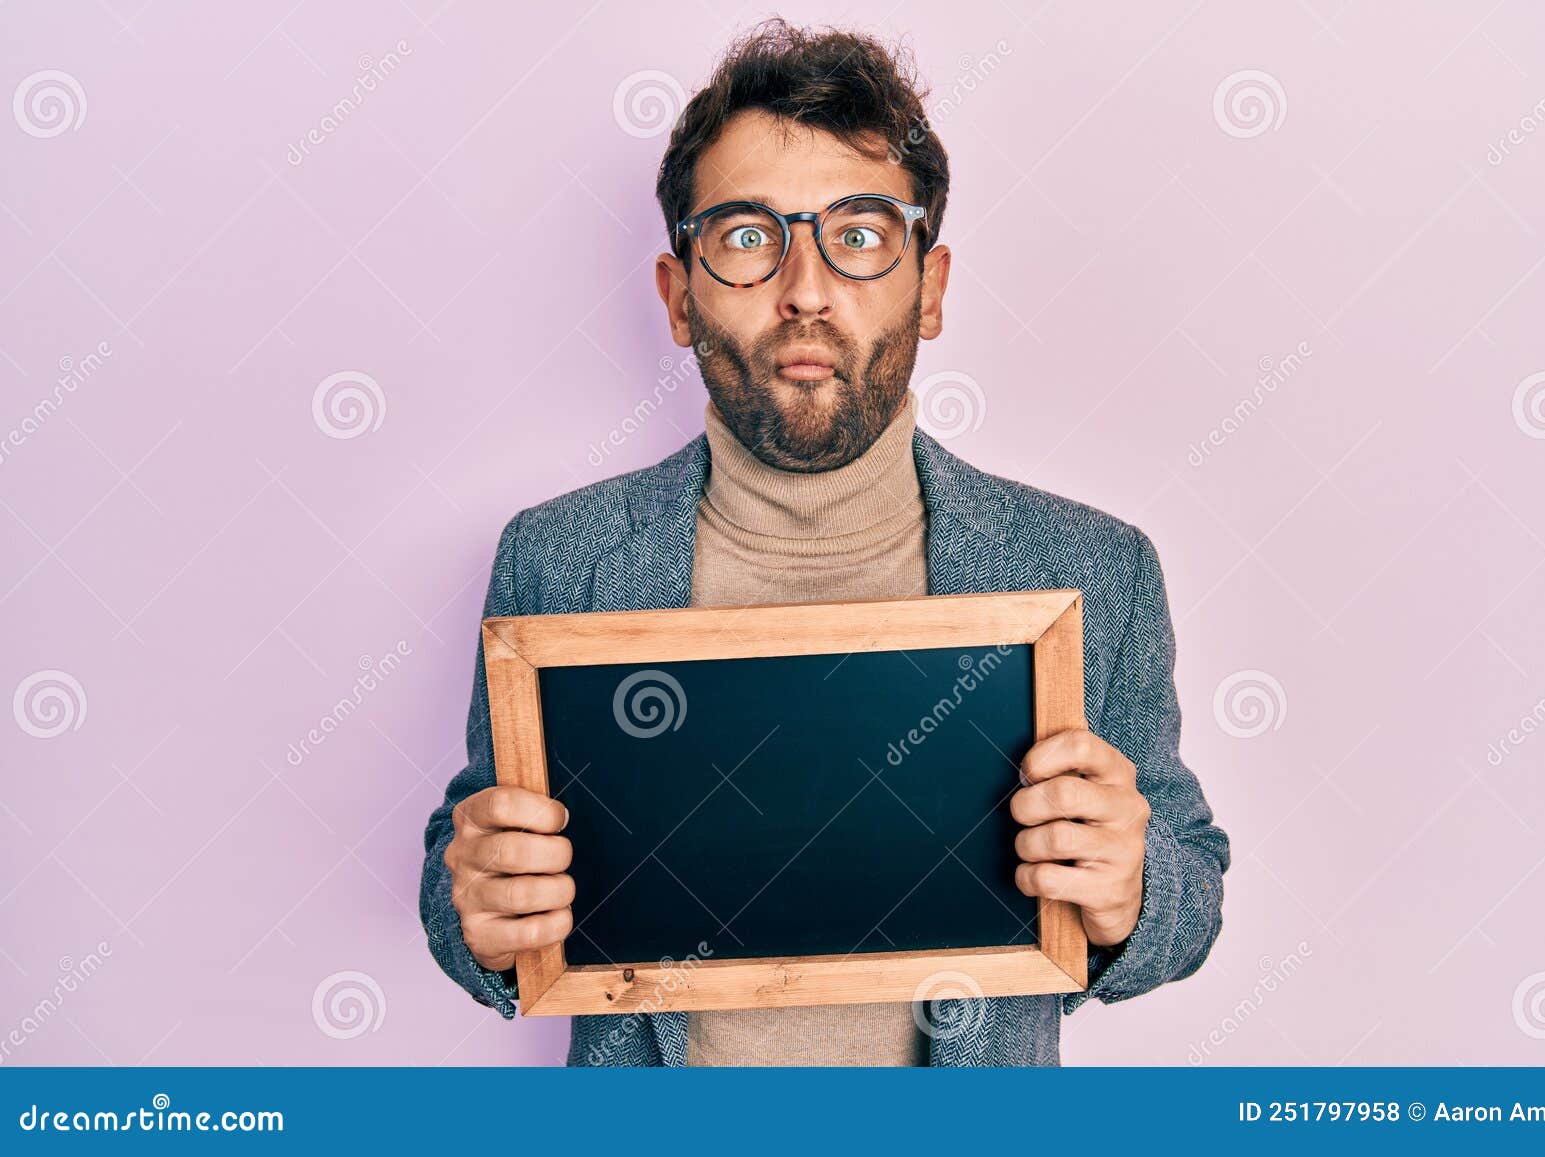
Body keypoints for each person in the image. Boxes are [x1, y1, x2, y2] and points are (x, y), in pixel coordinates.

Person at [420, 18, 1229, 1067]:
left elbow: (1191, 891)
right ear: (678, 296)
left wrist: (1134, 885)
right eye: (747, 236)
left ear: (930, 288)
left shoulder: (1090, 569)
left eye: (857, 233)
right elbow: (471, 856)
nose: (805, 290)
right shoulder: (558, 558)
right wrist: (478, 909)